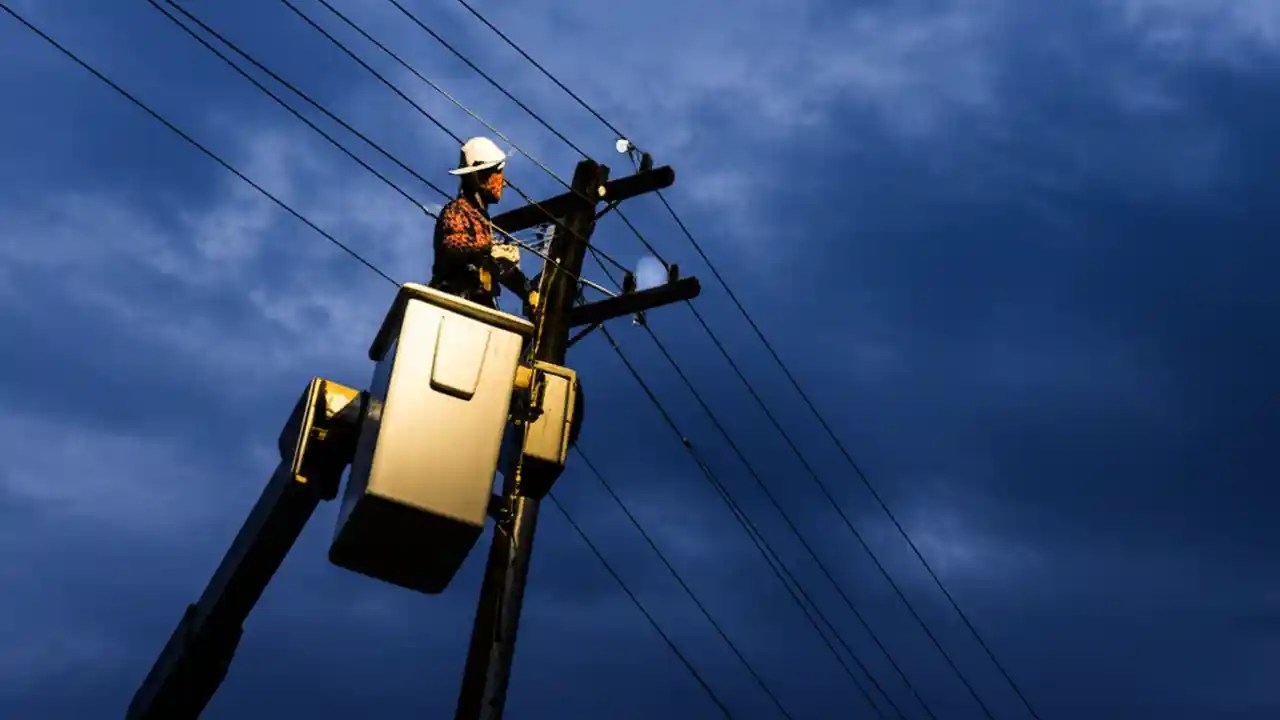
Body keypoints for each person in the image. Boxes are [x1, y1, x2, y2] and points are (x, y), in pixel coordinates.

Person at [430, 136, 539, 315]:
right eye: (498, 173)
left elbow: (500, 269)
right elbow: (452, 244)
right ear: (480, 176)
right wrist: (488, 250)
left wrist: (528, 292)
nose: (503, 182)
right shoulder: (456, 210)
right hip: (452, 304)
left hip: (478, 308)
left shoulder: (481, 220)